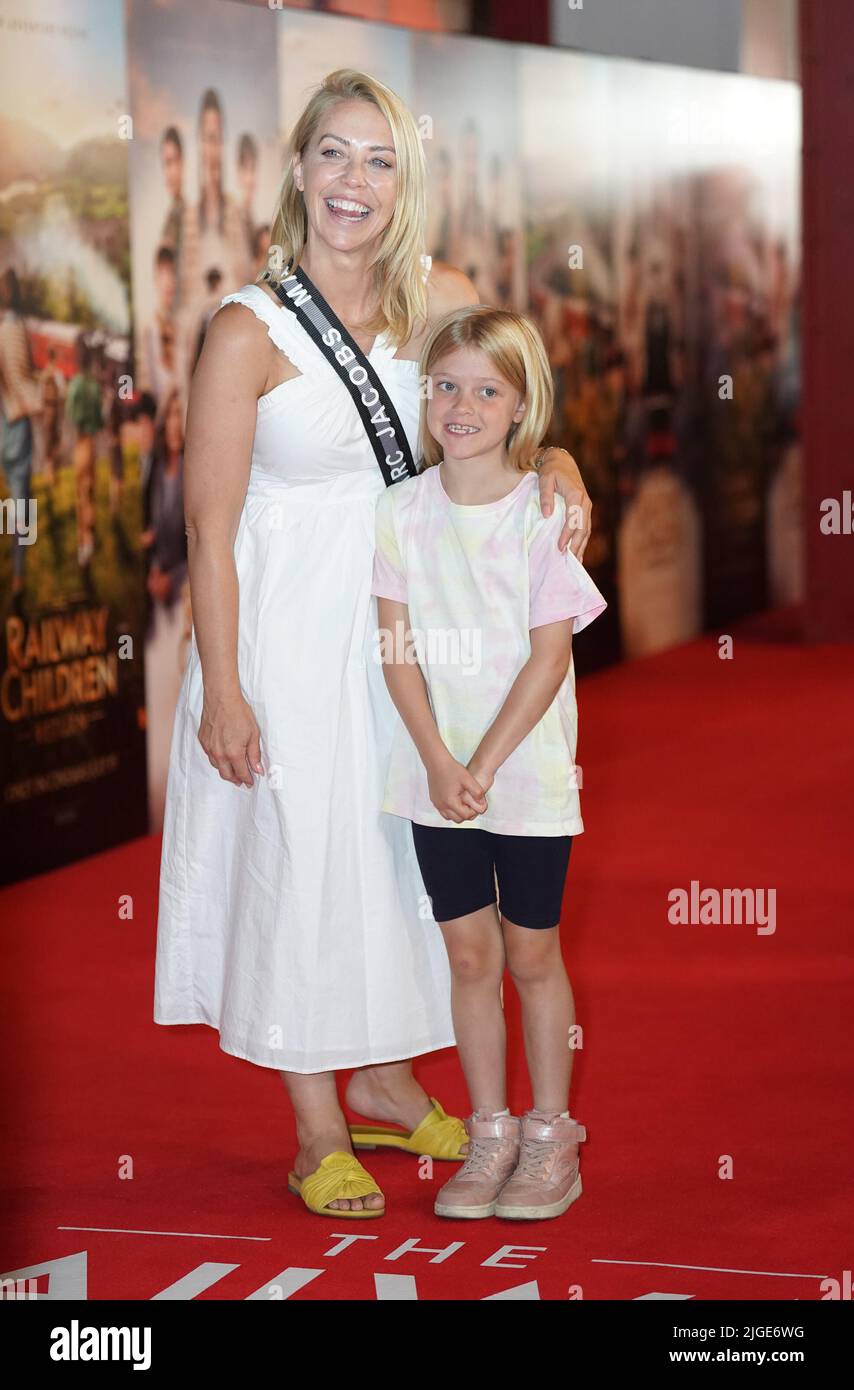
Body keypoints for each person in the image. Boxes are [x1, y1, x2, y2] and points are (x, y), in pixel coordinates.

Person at [153, 68, 593, 1220]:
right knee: (303, 859)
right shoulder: (246, 328)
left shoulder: (439, 293)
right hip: (289, 633)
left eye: (379, 159)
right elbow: (206, 526)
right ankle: (313, 1128)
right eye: (334, 156)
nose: (354, 182)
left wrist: (560, 467)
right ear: (298, 171)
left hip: (421, 634)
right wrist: (225, 691)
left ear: (407, 180)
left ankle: (392, 1079)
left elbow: (513, 408)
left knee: (405, 866)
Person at [371, 306, 606, 1221]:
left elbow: (550, 658)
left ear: (520, 407)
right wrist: (438, 761)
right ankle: (491, 1129)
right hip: (435, 780)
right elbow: (395, 652)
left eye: (486, 390)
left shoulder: (544, 513)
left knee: (532, 954)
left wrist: (483, 760)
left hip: (529, 779)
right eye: (446, 385)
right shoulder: (397, 512)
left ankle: (551, 1137)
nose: (461, 405)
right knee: (470, 959)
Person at [0, 268, 40, 596]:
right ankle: (19, 571)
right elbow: (29, 369)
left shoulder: (4, 330)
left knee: (18, 501)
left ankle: (19, 568)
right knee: (22, 499)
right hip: (19, 421)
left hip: (7, 418)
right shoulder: (19, 329)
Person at [65, 333, 102, 570]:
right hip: (93, 444)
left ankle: (85, 543)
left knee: (82, 495)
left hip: (80, 445)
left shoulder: (77, 385)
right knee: (90, 489)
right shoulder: (94, 385)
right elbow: (99, 419)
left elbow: (72, 416)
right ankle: (90, 538)